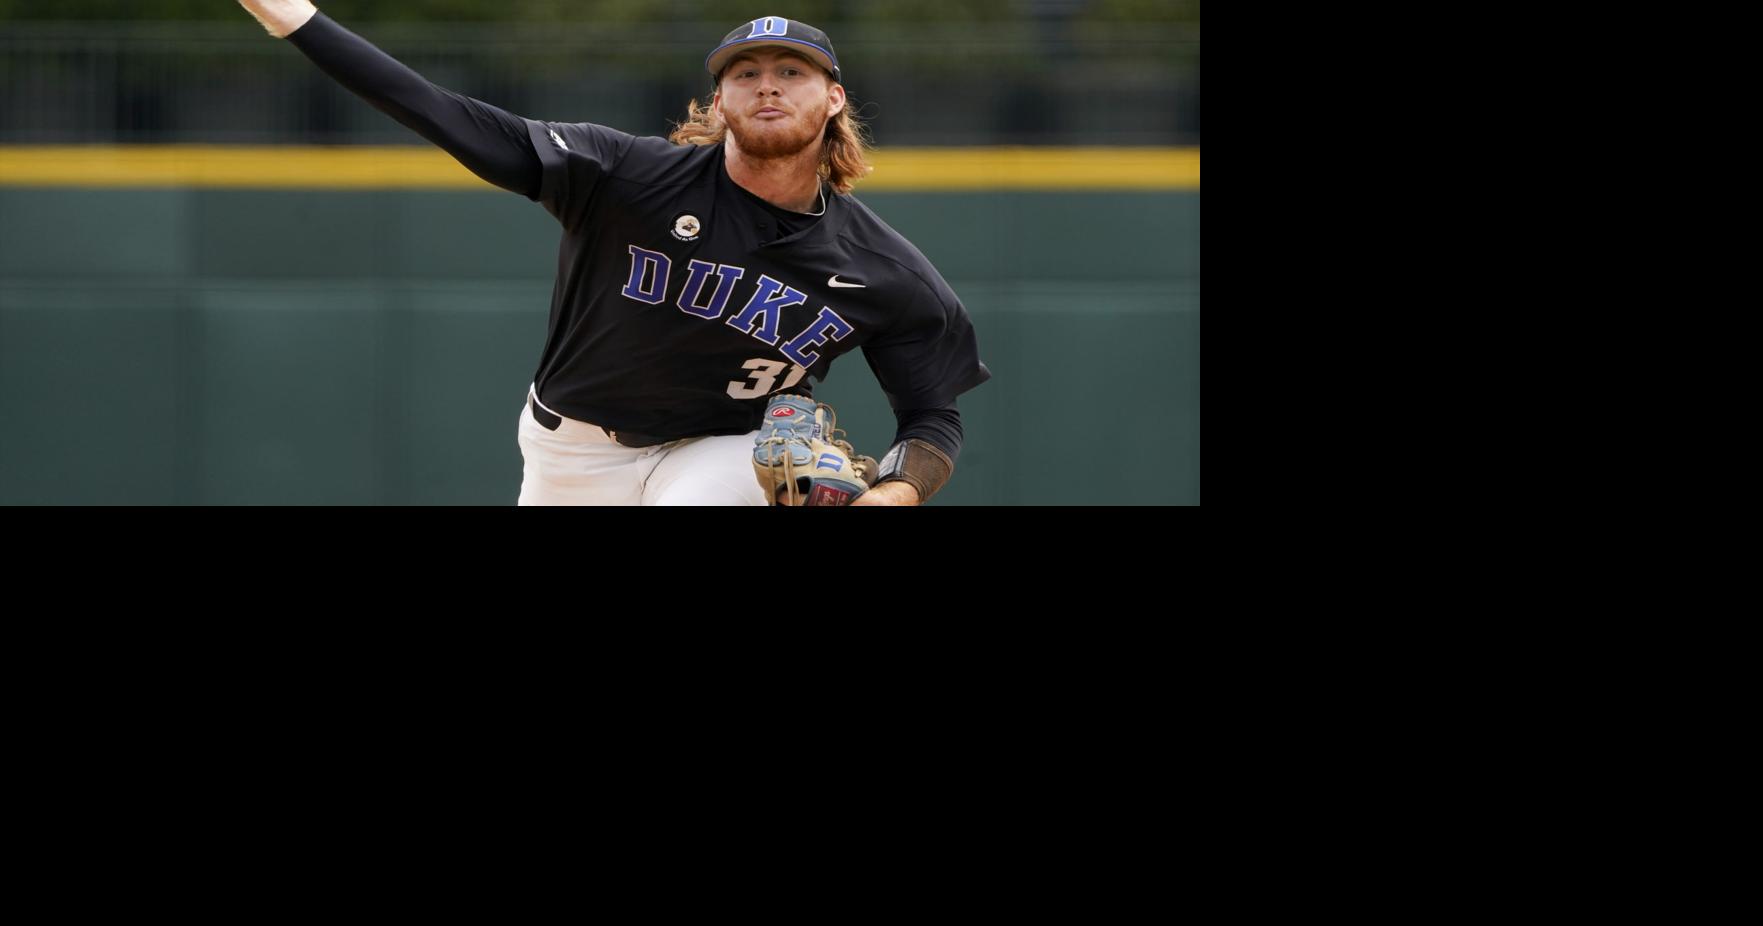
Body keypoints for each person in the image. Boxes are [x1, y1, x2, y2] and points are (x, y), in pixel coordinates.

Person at [235, 2, 991, 505]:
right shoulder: (625, 176)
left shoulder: (882, 268)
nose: (768, 87)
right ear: (718, 103)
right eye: (745, 75)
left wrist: (896, 494)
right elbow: (443, 113)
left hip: (725, 449)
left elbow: (931, 415)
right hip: (571, 453)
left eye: (792, 73)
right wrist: (294, 16)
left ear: (831, 99)